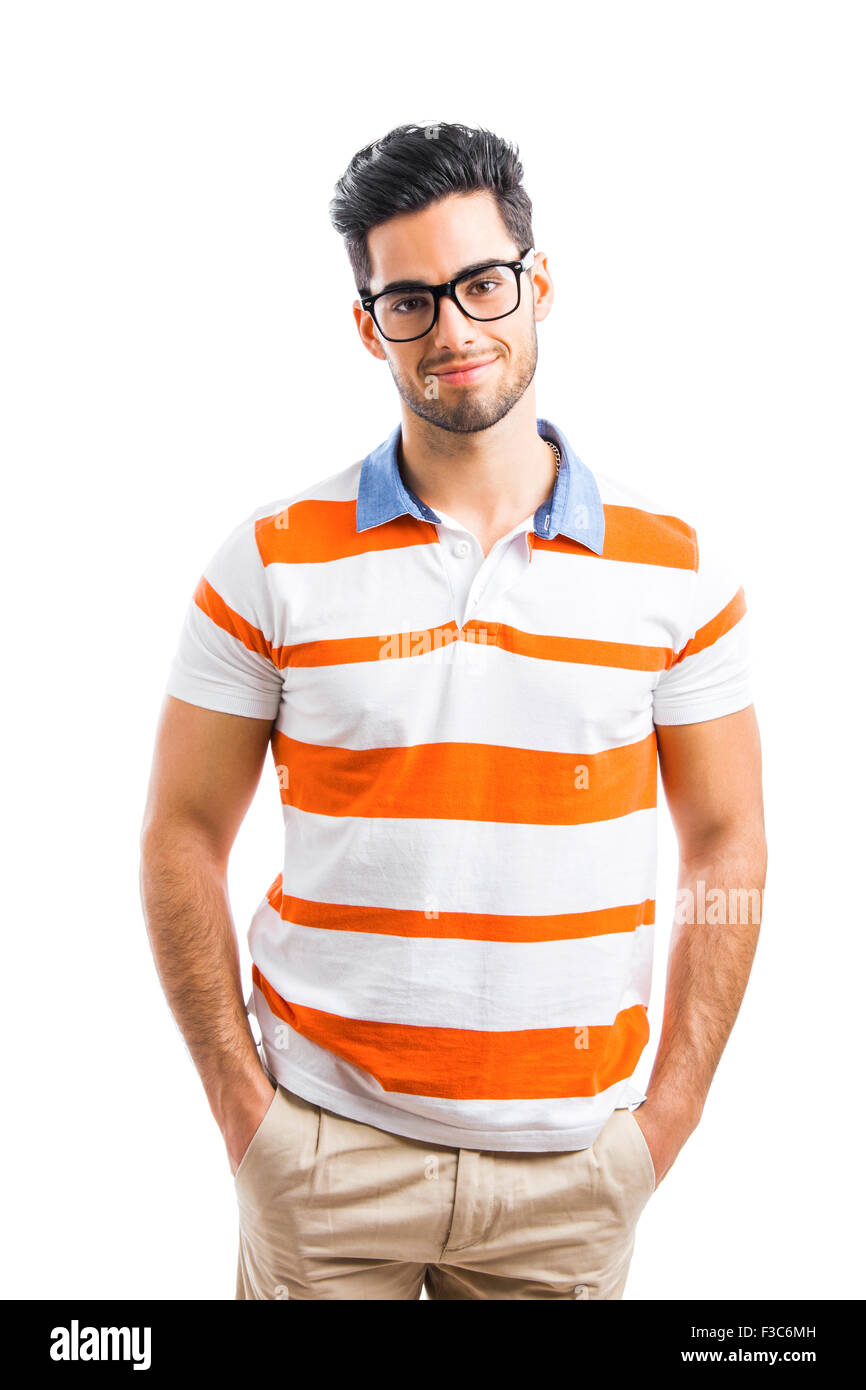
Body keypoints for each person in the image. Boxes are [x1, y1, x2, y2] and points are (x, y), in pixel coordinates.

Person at [140, 122, 766, 1301]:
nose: (454, 330)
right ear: (367, 323)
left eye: (481, 282)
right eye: (409, 300)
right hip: (325, 1154)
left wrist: (667, 1117)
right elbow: (180, 830)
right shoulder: (266, 564)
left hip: (570, 1174)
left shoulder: (676, 573)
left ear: (537, 283)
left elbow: (727, 840)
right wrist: (243, 1110)